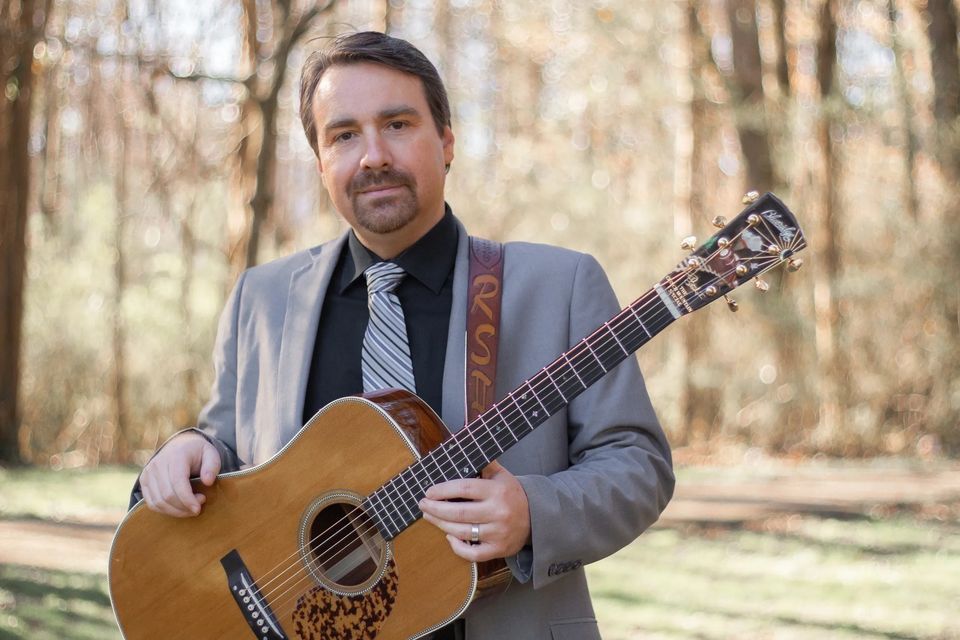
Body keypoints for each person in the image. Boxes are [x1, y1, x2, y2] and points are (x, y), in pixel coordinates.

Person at [134, 31, 674, 640]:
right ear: (321, 162)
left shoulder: (559, 285)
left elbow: (638, 465)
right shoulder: (262, 300)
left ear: (446, 142)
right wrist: (187, 450)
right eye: (344, 135)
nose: (372, 156)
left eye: (396, 124)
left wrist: (532, 512)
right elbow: (224, 449)